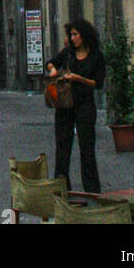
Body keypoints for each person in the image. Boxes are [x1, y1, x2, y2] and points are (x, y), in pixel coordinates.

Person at [46, 18, 106, 193]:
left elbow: (98, 83)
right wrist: (53, 69)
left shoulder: (96, 56)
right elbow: (51, 62)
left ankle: (92, 187)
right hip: (65, 105)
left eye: (75, 34)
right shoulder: (68, 53)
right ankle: (61, 185)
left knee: (87, 148)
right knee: (62, 146)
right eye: (70, 35)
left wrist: (78, 78)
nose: (72, 38)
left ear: (84, 35)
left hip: (85, 104)